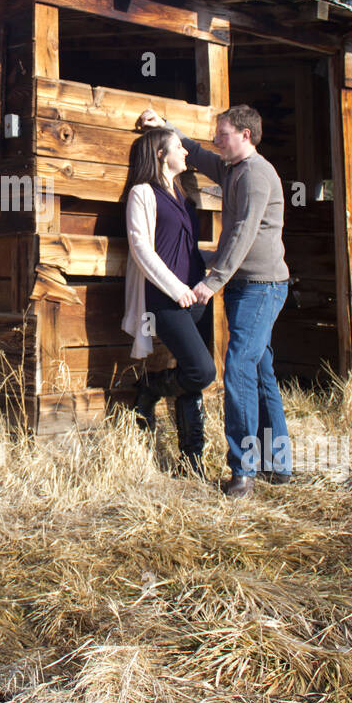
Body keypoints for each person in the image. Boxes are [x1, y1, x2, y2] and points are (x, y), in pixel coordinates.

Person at [139, 104, 291, 499]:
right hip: (246, 285)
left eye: (222, 134)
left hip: (261, 286)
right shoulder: (233, 169)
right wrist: (164, 126)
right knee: (260, 371)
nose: (215, 140)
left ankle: (242, 471)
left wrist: (212, 280)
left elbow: (242, 232)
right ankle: (279, 463)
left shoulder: (256, 175)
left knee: (239, 367)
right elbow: (199, 154)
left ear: (245, 135)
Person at [122, 126, 217, 477]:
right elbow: (141, 248)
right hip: (166, 299)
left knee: (193, 375)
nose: (187, 153)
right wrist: (176, 289)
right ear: (161, 154)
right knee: (201, 371)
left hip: (197, 296)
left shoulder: (181, 195)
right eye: (180, 147)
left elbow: (188, 250)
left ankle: (192, 462)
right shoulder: (142, 193)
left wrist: (218, 265)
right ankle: (150, 387)